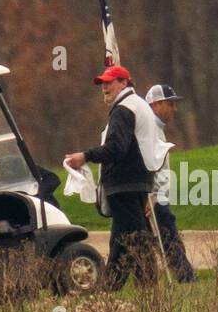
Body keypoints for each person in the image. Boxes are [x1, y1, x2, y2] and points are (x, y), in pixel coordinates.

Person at [65, 65, 167, 290]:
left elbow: (116, 148)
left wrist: (86, 156)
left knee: (137, 241)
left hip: (124, 186)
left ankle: (150, 294)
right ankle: (108, 292)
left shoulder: (123, 109)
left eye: (109, 82)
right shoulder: (139, 105)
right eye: (102, 83)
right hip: (138, 183)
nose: (104, 87)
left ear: (124, 83)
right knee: (121, 243)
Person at [144, 84, 196, 282]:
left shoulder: (156, 129)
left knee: (154, 241)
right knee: (169, 239)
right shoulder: (150, 130)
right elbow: (149, 165)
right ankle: (187, 280)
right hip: (154, 198)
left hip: (156, 196)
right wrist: (154, 196)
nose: (175, 109)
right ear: (156, 105)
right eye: (170, 103)